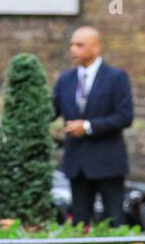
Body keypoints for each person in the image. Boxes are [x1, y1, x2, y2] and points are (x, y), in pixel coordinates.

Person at [52, 27, 134, 227]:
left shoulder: (116, 78)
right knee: (80, 225)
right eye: (72, 44)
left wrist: (88, 126)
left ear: (95, 48)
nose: (73, 49)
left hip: (107, 162)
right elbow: (50, 111)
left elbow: (125, 116)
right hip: (77, 165)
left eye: (79, 45)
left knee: (114, 222)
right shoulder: (65, 79)